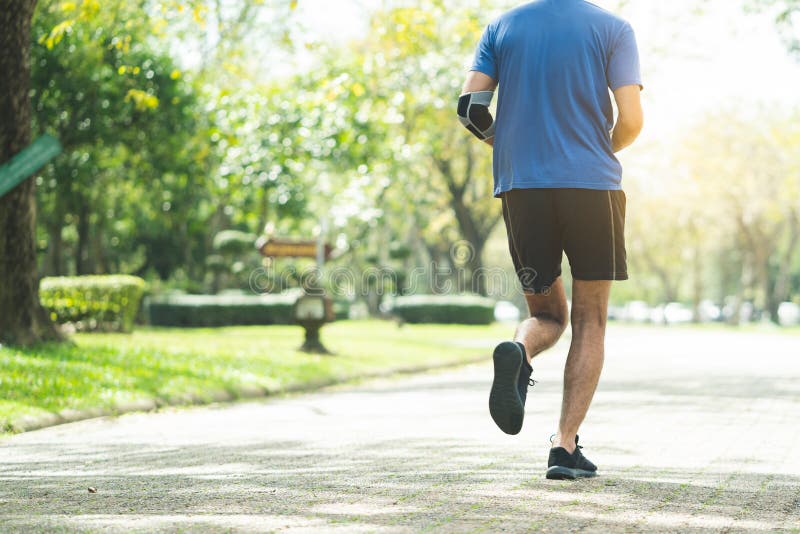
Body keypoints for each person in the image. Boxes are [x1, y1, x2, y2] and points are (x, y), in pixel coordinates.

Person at [457, 0, 643, 480]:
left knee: (545, 313)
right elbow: (632, 118)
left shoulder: (502, 26)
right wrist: (602, 147)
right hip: (592, 187)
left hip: (522, 187)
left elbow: (470, 107)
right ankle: (563, 446)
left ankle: (519, 353)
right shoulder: (613, 29)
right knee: (590, 319)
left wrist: (505, 142)